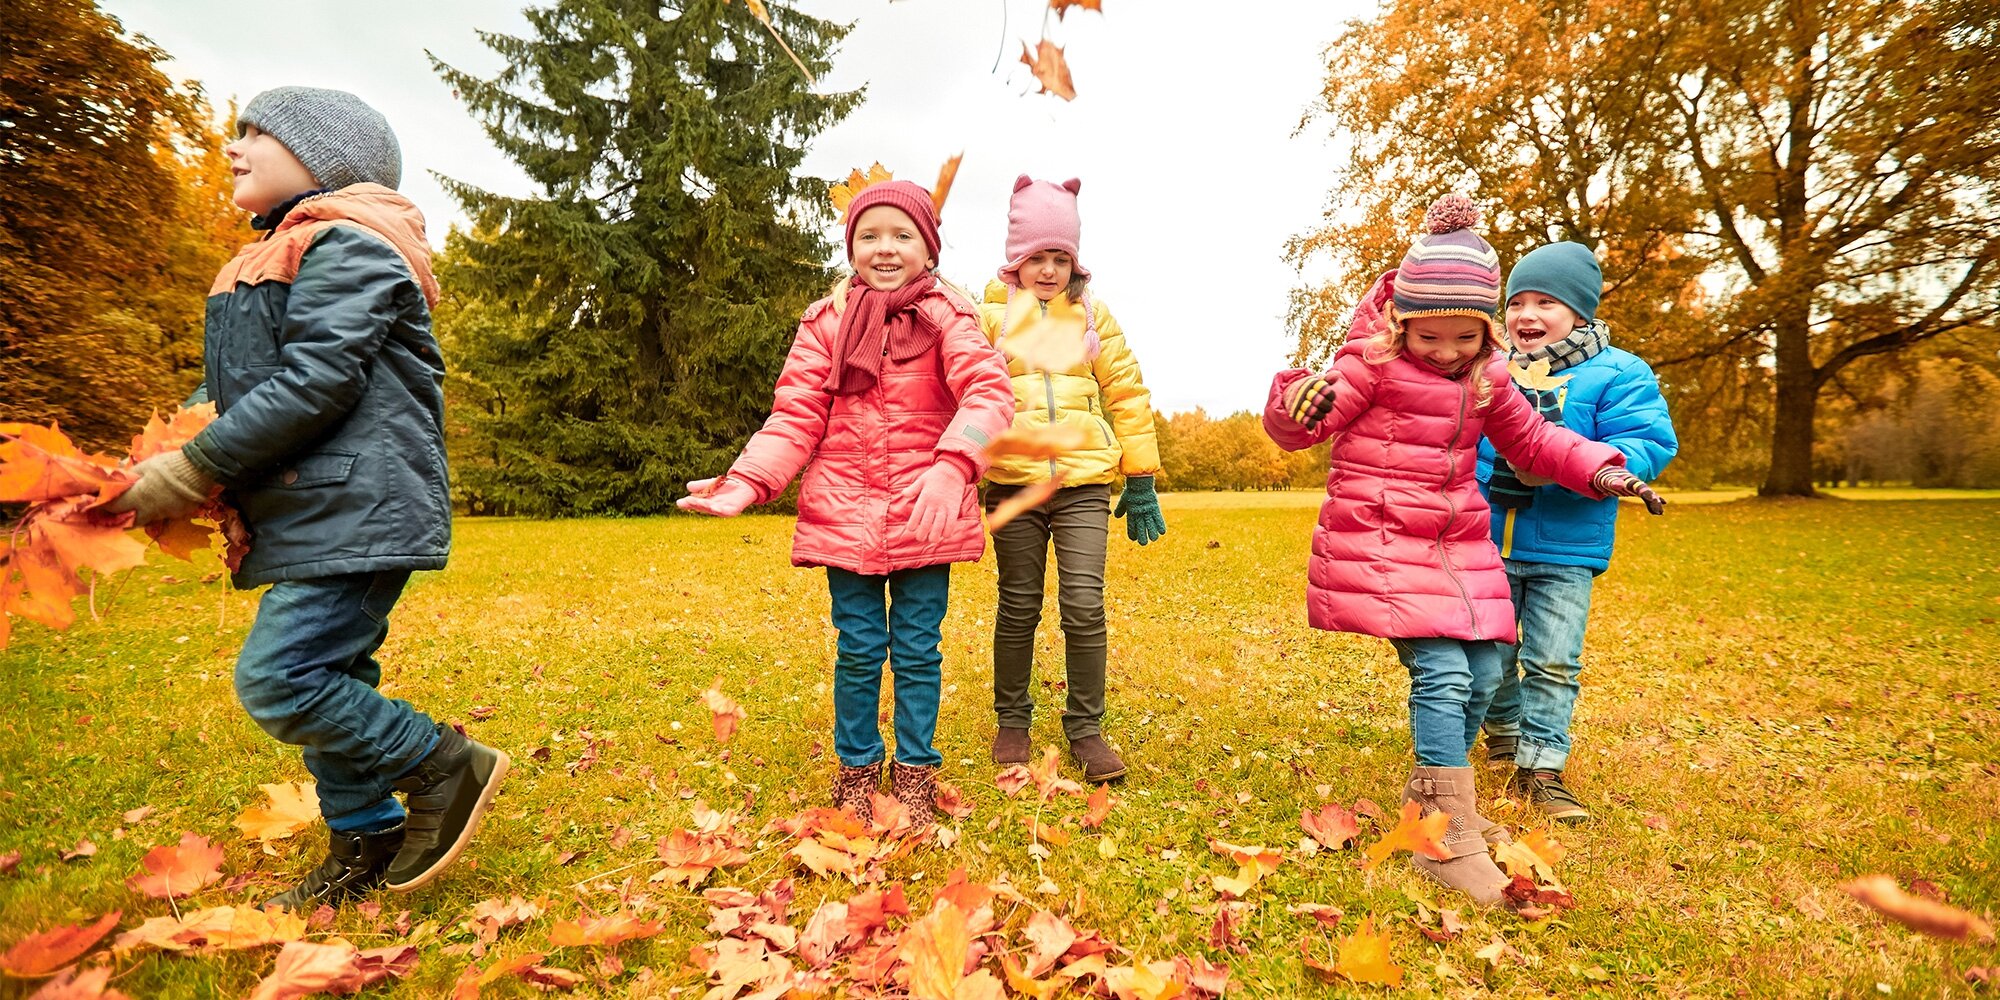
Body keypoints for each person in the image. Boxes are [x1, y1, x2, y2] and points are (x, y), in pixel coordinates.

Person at [109, 87, 507, 910]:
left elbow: (316, 380)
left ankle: (442, 765)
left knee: (282, 679)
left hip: (358, 508)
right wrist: (168, 445)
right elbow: (246, 388)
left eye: (257, 133)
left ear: (325, 159)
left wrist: (195, 470)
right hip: (311, 508)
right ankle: (365, 830)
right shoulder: (283, 253)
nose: (234, 147)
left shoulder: (351, 244)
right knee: (328, 675)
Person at [1262, 195, 1666, 904]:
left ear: (1485, 334)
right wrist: (1295, 397)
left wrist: (1604, 469)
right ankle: (1441, 837)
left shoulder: (1488, 379)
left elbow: (1537, 442)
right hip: (1384, 543)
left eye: (1464, 339)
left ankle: (1440, 804)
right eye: (1431, 339)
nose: (1447, 355)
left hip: (1457, 545)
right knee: (1446, 675)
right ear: (1401, 325)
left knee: (1486, 671)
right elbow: (1300, 425)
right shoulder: (1372, 365)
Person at [677, 179, 1014, 828]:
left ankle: (915, 772)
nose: (884, 249)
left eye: (901, 235)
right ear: (851, 245)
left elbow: (990, 395)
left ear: (929, 246)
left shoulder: (949, 315)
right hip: (847, 518)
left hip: (924, 512)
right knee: (859, 647)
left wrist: (953, 467)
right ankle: (856, 770)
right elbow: (795, 416)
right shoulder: (826, 321)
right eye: (869, 235)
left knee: (918, 648)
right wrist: (749, 480)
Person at [1478, 241, 1678, 822]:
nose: (1526, 316)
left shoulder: (1618, 373)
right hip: (1484, 541)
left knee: (1554, 661)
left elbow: (1649, 443)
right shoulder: (1489, 370)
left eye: (1547, 301)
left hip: (1566, 548)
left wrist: (1588, 463)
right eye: (1517, 302)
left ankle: (1541, 768)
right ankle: (1505, 727)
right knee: (1488, 657)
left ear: (1581, 312)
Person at [977, 176, 1164, 784]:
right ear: (1017, 262)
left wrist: (1139, 476)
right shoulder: (991, 319)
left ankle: (1085, 727)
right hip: (1014, 481)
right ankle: (1012, 719)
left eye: (1061, 259)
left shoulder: (1093, 317)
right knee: (1018, 605)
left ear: (1074, 263)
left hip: (1083, 482)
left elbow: (1128, 393)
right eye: (1038, 258)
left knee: (1084, 607)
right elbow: (966, 392)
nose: (1050, 270)